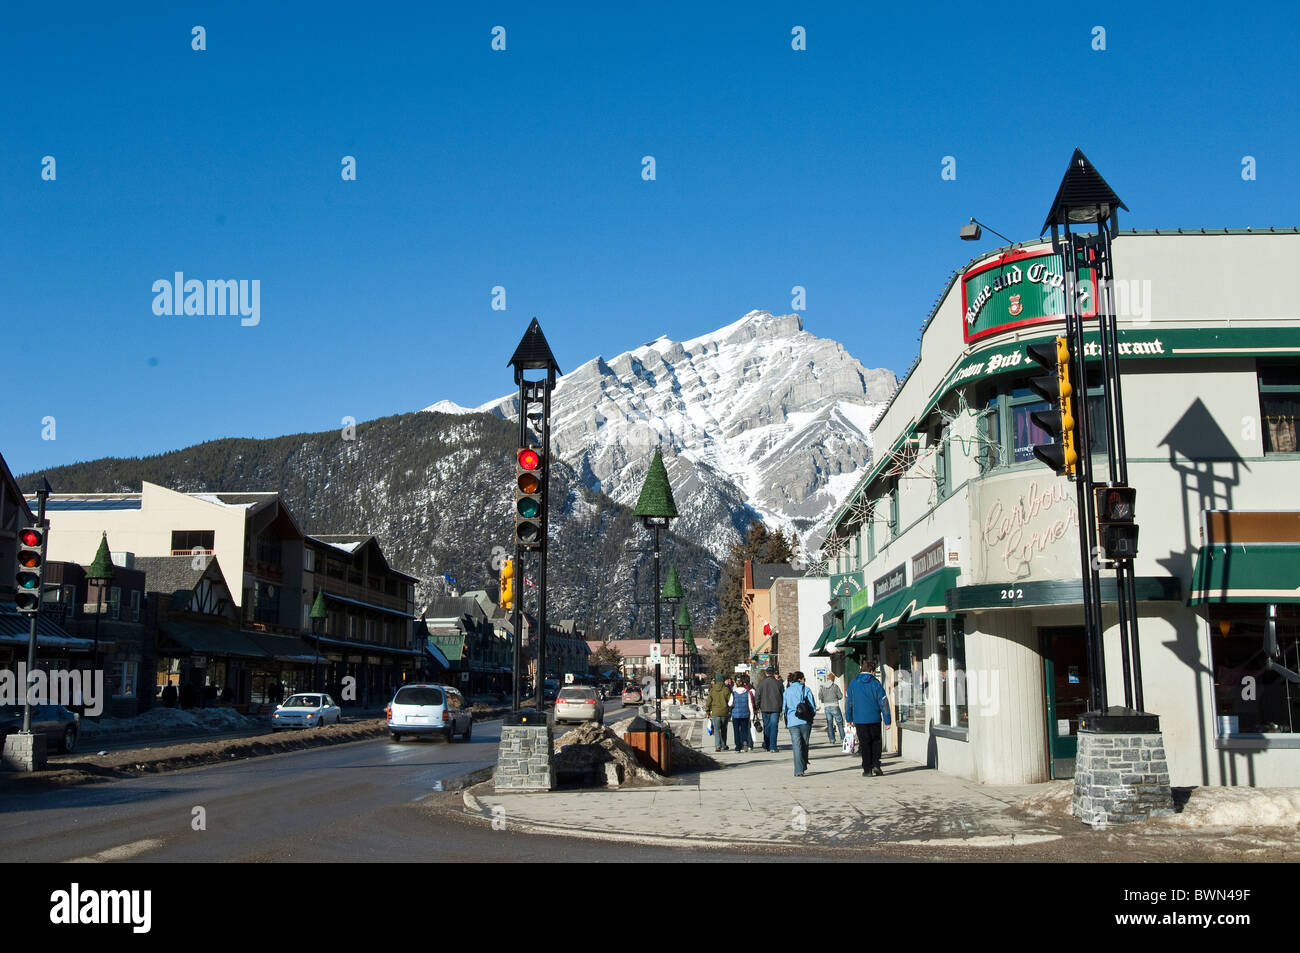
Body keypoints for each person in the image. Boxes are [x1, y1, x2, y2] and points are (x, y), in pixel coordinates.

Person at [844, 660, 892, 777]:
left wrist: (849, 718)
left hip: (859, 719)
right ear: (872, 671)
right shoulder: (876, 684)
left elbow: (848, 702)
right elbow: (883, 702)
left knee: (864, 744)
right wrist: (887, 720)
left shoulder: (853, 684)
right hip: (874, 718)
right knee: (876, 742)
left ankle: (867, 769)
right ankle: (876, 764)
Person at [782, 671, 817, 776]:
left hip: (792, 721)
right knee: (804, 744)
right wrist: (811, 715)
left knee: (796, 745)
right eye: (804, 678)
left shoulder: (787, 691)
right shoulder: (806, 690)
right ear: (800, 679)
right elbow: (813, 707)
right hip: (805, 720)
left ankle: (798, 770)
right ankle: (804, 763)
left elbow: (784, 707)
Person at [756, 667, 784, 752]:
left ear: (766, 673)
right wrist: (782, 707)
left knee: (767, 726)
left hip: (764, 707)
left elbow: (757, 696)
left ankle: (767, 744)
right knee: (774, 727)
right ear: (773, 673)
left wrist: (757, 706)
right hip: (776, 708)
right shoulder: (779, 683)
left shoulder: (761, 683)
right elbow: (783, 696)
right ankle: (773, 746)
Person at [729, 675, 758, 752]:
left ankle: (738, 746)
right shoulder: (747, 692)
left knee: (736, 731)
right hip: (745, 714)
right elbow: (750, 704)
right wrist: (751, 715)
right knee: (744, 730)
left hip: (736, 714)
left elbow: (730, 704)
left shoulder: (733, 693)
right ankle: (745, 742)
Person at [706, 674, 731, 751]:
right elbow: (730, 701)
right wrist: (729, 710)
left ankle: (717, 746)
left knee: (716, 730)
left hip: (715, 712)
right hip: (724, 712)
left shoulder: (712, 690)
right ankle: (724, 745)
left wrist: (707, 712)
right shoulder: (726, 689)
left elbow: (708, 702)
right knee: (724, 729)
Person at [819, 674, 845, 744]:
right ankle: (843, 738)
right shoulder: (835, 686)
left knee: (829, 723)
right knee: (840, 723)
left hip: (827, 706)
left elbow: (820, 696)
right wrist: (836, 698)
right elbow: (840, 696)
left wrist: (824, 700)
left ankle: (832, 739)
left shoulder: (822, 687)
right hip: (835, 706)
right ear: (833, 679)